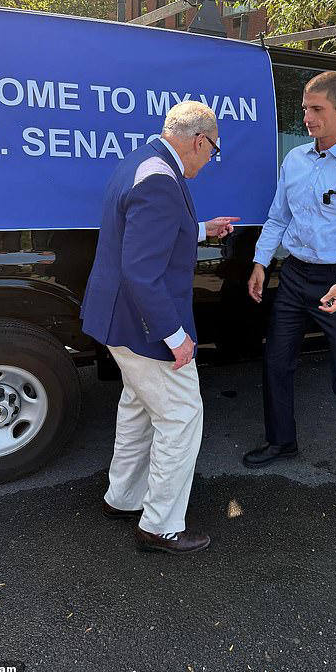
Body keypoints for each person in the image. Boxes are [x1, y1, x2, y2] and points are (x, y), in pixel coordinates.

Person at [81, 101, 238, 554]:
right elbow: (141, 270)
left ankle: (123, 497)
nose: (209, 162)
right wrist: (175, 336)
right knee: (181, 415)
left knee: (137, 404)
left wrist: (201, 230)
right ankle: (161, 526)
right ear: (199, 140)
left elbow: (139, 235)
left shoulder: (141, 161)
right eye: (213, 153)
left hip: (117, 322)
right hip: (144, 325)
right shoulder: (162, 182)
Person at [243, 71, 336, 506]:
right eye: (305, 109)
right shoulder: (295, 160)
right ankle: (281, 441)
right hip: (294, 277)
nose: (307, 118)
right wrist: (260, 262)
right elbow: (278, 218)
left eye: (317, 110)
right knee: (275, 363)